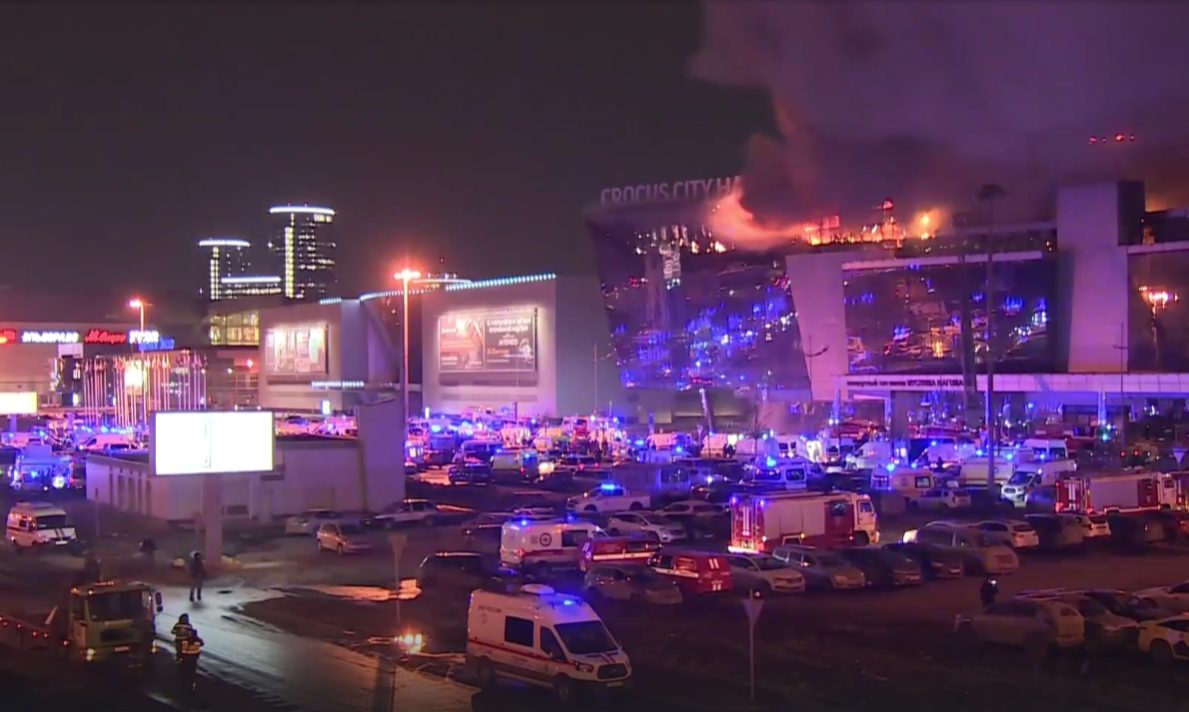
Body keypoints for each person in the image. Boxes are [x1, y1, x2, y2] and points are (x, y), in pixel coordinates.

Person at [176, 626, 203, 695]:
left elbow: (180, 650)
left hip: (185, 659)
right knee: (191, 674)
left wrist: (178, 658)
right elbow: (202, 643)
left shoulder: (184, 641)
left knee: (183, 673)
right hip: (193, 660)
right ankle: (191, 687)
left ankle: (181, 686)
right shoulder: (198, 642)